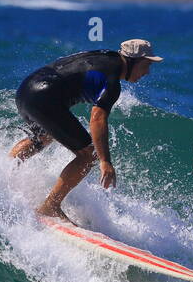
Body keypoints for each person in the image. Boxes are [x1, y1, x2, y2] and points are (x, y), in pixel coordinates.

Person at [9, 38, 162, 222]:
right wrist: (105, 161)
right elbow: (97, 119)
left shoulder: (105, 56)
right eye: (146, 65)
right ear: (133, 61)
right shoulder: (112, 81)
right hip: (45, 99)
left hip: (26, 91)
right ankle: (50, 206)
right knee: (88, 156)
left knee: (43, 137)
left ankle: (4, 172)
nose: (147, 72)